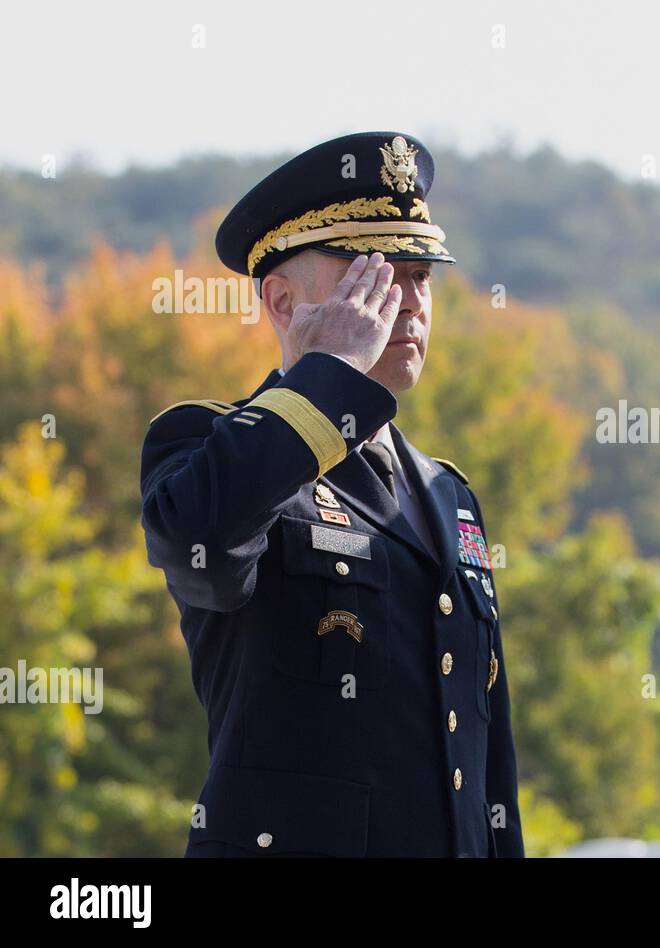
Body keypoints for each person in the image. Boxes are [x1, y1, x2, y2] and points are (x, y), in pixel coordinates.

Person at [140, 132, 523, 857]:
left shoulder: (448, 492)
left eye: (420, 276)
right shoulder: (205, 444)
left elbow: (486, 763)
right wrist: (331, 368)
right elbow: (203, 551)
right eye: (372, 276)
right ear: (282, 302)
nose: (406, 302)